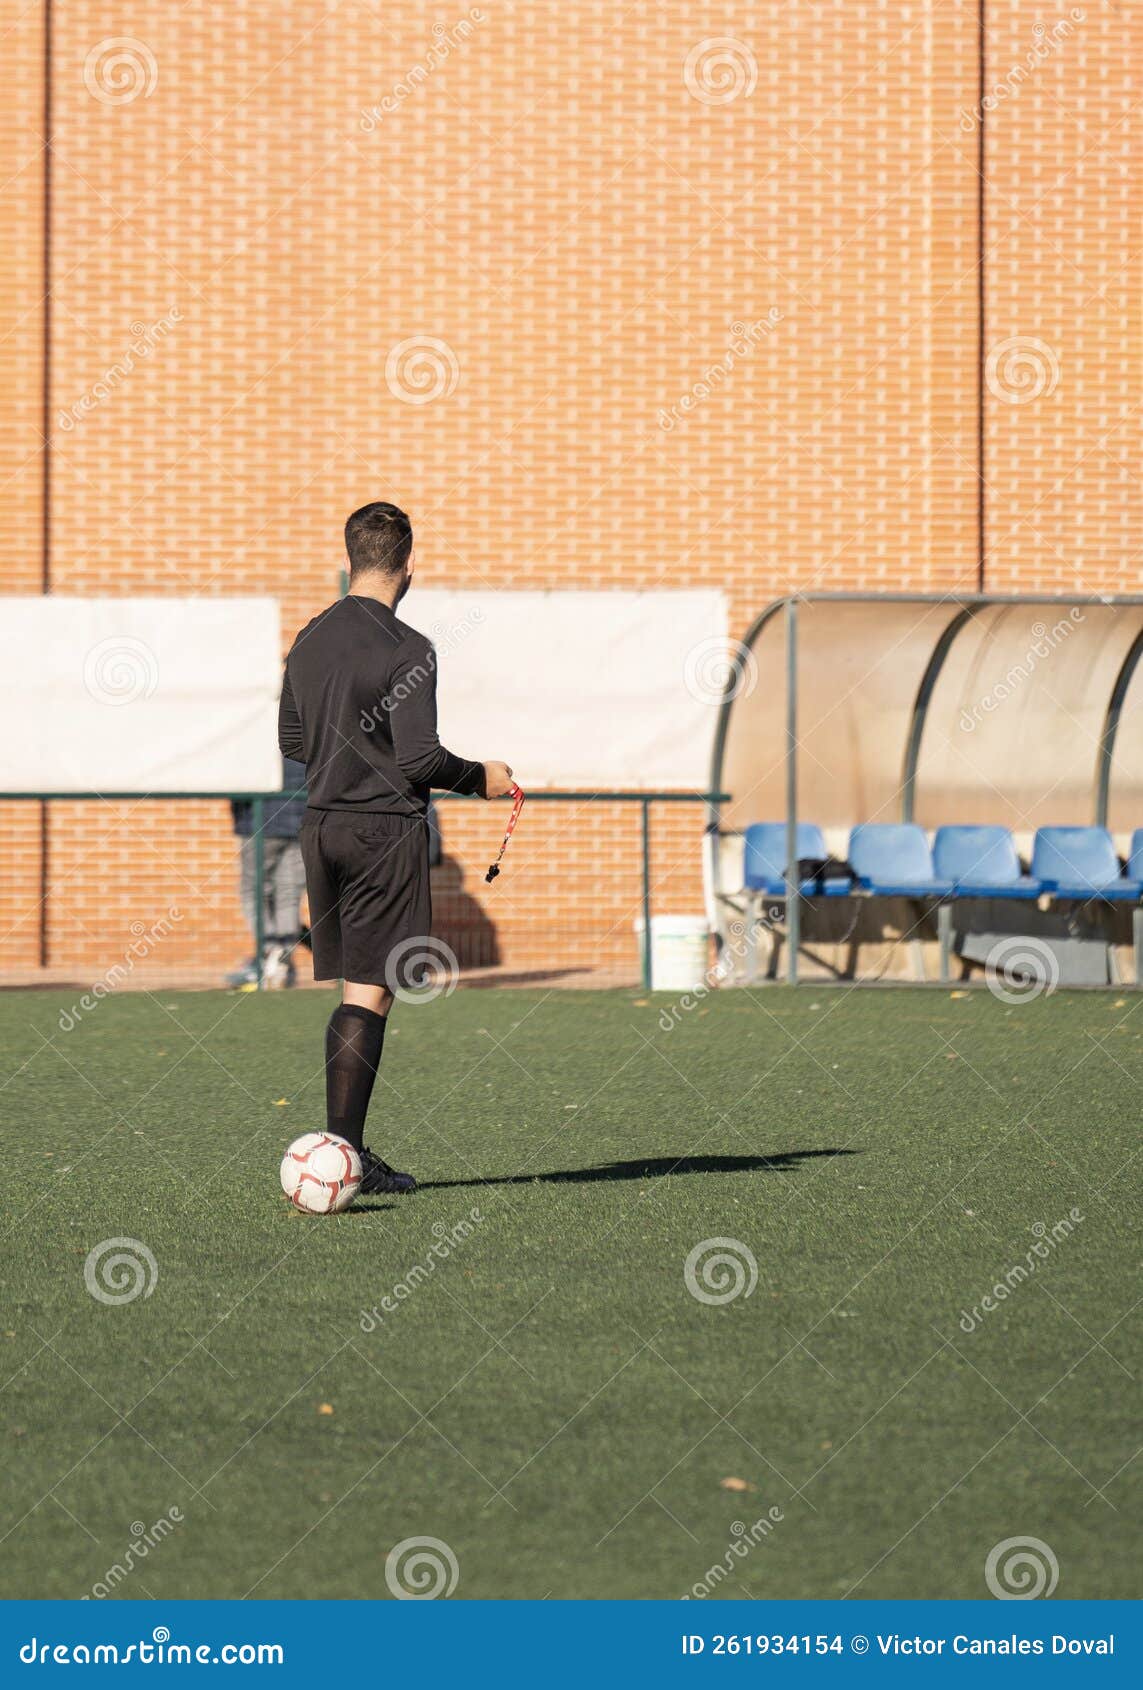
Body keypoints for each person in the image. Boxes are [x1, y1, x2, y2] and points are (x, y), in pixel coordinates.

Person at [278, 501, 514, 1195]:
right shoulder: (409, 647)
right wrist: (482, 780)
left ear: (349, 558)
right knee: (369, 996)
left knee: (359, 988)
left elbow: (293, 745)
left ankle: (345, 1151)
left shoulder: (310, 637)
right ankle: (345, 1154)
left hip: (321, 826)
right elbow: (418, 759)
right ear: (408, 566)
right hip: (383, 832)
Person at [227, 756, 308, 989]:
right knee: (288, 894)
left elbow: (238, 784)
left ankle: (269, 950)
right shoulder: (306, 733)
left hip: (261, 822)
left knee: (252, 890)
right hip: (301, 822)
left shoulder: (255, 738)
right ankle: (282, 956)